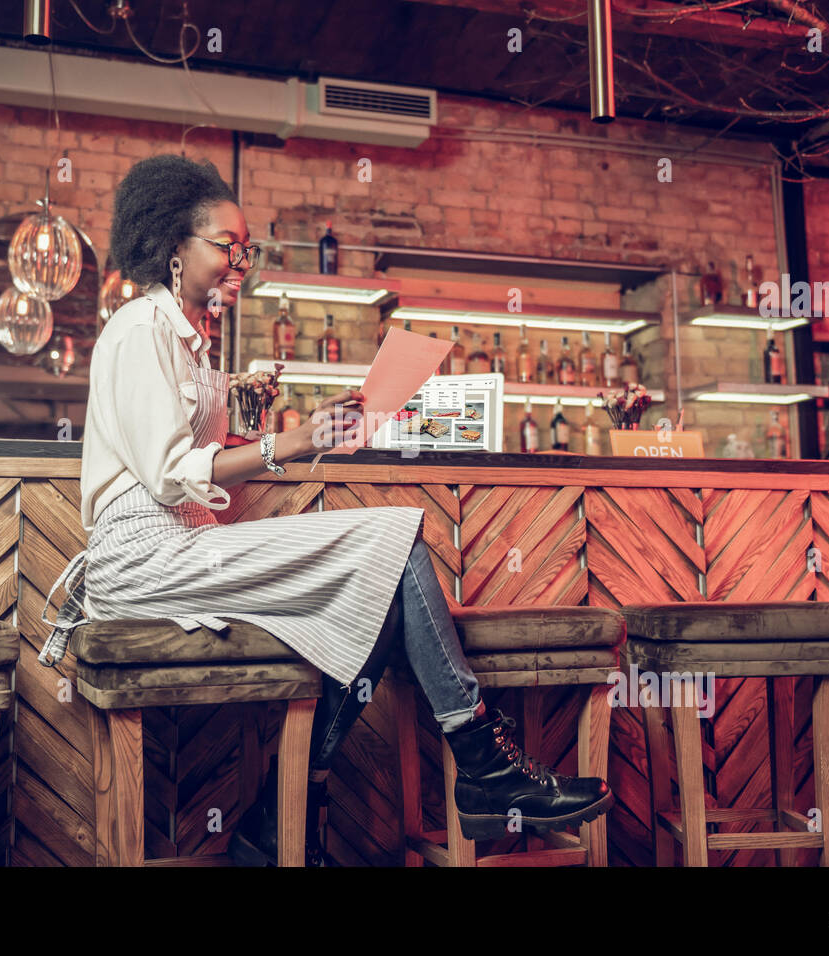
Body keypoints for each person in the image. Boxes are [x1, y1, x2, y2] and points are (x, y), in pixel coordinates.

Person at [39, 154, 614, 866]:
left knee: (366, 595)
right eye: (226, 245)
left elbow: (212, 465)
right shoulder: (139, 329)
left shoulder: (194, 340)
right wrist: (294, 441)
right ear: (173, 247)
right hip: (145, 555)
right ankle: (482, 762)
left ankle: (278, 816)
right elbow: (166, 475)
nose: (238, 262)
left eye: (245, 249)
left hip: (191, 542)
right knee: (394, 539)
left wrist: (296, 430)